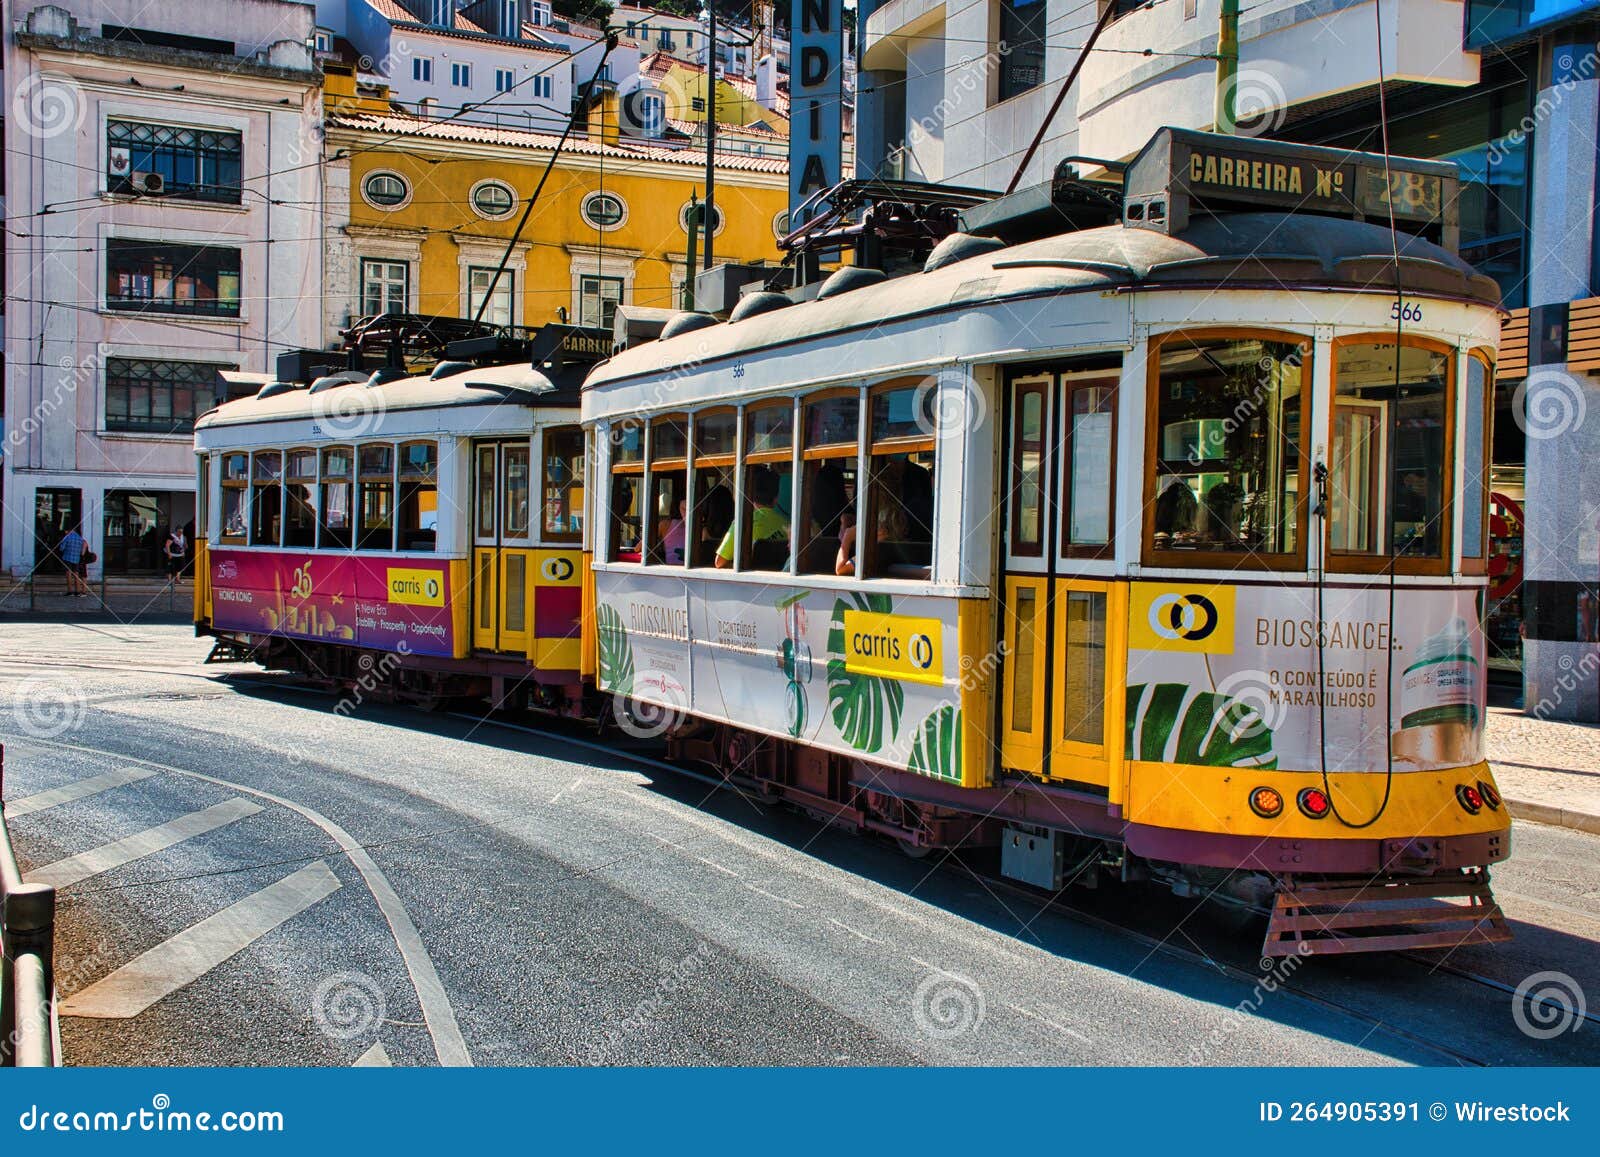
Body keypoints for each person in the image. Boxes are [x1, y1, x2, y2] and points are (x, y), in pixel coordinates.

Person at [716, 466, 788, 569]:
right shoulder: (787, 525)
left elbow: (719, 562)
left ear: (749, 496)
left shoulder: (742, 523)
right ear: (776, 499)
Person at [58, 524, 89, 597]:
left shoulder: (67, 538)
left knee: (68, 574)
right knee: (76, 574)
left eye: (66, 531)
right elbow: (82, 550)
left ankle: (70, 591)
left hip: (67, 558)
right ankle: (77, 591)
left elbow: (61, 548)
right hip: (76, 559)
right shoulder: (80, 538)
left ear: (68, 531)